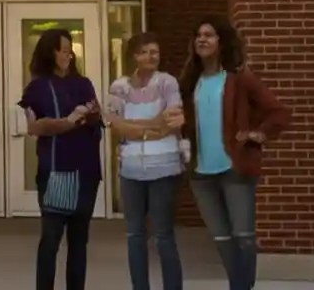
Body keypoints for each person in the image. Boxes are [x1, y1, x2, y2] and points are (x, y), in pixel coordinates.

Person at [180, 16, 290, 290]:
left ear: (222, 42)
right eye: (199, 35)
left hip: (235, 168)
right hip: (201, 172)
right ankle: (239, 285)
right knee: (221, 238)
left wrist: (257, 134)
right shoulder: (190, 81)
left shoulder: (239, 79)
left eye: (209, 35)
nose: (202, 40)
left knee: (243, 237)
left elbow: (278, 112)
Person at [19, 28, 103, 290]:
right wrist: (67, 122)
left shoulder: (83, 83)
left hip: (86, 171)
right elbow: (35, 127)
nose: (68, 54)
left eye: (70, 49)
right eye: (62, 49)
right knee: (51, 239)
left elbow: (96, 115)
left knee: (80, 241)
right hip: (55, 171)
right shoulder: (38, 87)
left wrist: (92, 114)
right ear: (49, 52)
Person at [105, 32, 188, 290]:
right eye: (144, 52)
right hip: (130, 170)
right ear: (134, 56)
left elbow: (172, 119)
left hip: (164, 167)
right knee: (134, 235)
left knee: (163, 235)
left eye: (154, 51)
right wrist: (151, 126)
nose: (150, 57)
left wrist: (135, 126)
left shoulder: (167, 82)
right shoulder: (119, 87)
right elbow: (115, 125)